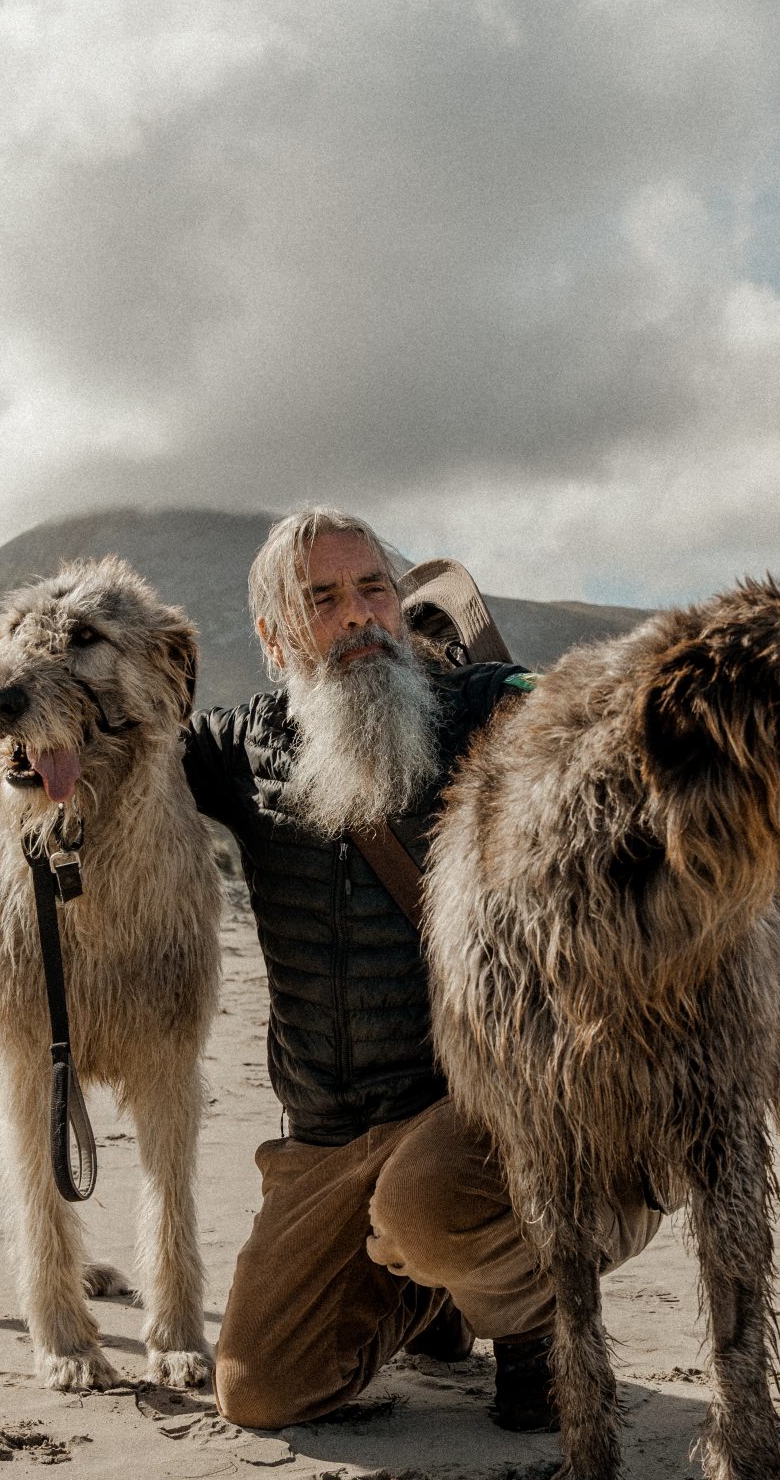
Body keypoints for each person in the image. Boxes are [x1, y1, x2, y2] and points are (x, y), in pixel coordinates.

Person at [181, 508, 659, 1430]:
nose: (358, 615)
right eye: (322, 599)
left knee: (426, 1207)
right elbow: (125, 772)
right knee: (260, 1391)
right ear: (274, 638)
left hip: (479, 1116)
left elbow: (567, 704)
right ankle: (428, 1290)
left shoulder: (478, 707)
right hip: (327, 1137)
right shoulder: (236, 748)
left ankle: (536, 1314)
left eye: (373, 589)